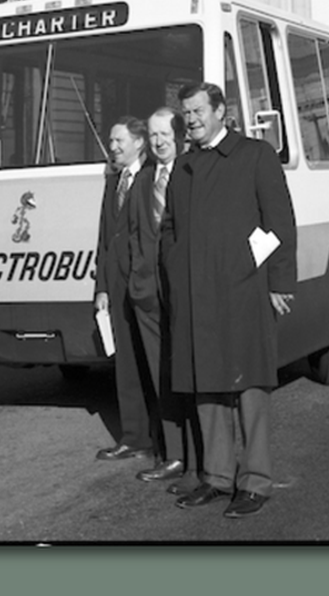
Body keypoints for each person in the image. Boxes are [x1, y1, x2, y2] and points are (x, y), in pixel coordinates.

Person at [160, 82, 298, 519]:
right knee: (208, 386)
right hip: (196, 295)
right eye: (186, 113)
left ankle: (255, 481)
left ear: (221, 110)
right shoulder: (183, 165)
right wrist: (176, 270)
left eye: (199, 111)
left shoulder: (255, 155)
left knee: (250, 386)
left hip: (244, 290)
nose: (192, 119)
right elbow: (169, 229)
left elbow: (279, 223)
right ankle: (216, 477)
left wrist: (277, 282)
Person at [131, 107, 195, 485]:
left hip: (185, 291)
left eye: (164, 135)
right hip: (148, 295)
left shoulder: (192, 173)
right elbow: (134, 236)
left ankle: (200, 453)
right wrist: (136, 286)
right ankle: (172, 454)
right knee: (160, 374)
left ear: (179, 136)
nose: (158, 142)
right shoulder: (142, 181)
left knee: (190, 373)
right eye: (152, 136)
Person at [92, 116, 161, 465]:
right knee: (126, 365)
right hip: (116, 286)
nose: (113, 147)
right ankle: (134, 437)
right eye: (111, 141)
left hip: (144, 284)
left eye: (119, 141)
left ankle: (163, 441)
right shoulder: (113, 180)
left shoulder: (152, 177)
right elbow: (106, 237)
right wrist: (102, 287)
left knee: (152, 362)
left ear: (139, 143)